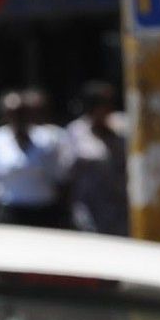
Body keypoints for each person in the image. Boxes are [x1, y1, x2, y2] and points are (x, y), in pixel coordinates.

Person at [0, 90, 66, 227]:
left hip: (44, 213)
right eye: (13, 113)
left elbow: (61, 181)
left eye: (23, 112)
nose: (19, 117)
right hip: (9, 213)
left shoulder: (49, 139)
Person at [62, 82, 129, 236]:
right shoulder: (76, 131)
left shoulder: (122, 125)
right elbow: (66, 172)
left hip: (120, 207)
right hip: (90, 207)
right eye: (102, 105)